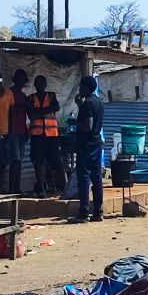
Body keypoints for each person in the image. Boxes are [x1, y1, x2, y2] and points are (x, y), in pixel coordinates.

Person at [70, 75, 104, 224]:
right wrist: (79, 106)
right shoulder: (98, 102)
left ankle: (83, 213)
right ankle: (98, 212)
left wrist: (74, 122)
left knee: (83, 178)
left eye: (80, 86)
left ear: (85, 87)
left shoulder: (88, 103)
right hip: (96, 144)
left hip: (86, 145)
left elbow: (88, 126)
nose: (79, 89)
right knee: (97, 178)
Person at [27, 75, 67, 197]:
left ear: (45, 85)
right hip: (37, 136)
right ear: (35, 85)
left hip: (51, 135)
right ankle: (41, 189)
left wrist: (38, 112)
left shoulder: (51, 96)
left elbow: (56, 107)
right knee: (38, 162)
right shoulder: (31, 98)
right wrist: (47, 110)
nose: (40, 85)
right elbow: (31, 115)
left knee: (58, 161)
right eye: (38, 83)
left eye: (42, 83)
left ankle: (65, 187)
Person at [6, 68, 30, 195]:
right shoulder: (10, 93)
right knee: (15, 161)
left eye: (23, 80)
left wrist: (26, 130)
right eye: (19, 79)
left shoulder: (23, 95)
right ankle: (12, 188)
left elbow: (24, 115)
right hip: (13, 131)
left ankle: (16, 187)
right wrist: (10, 132)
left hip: (21, 130)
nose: (21, 82)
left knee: (19, 161)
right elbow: (9, 113)